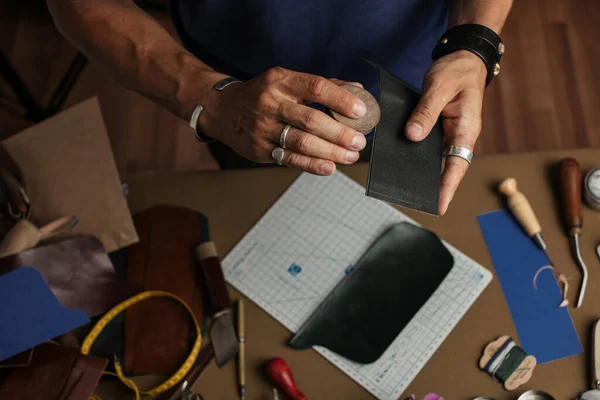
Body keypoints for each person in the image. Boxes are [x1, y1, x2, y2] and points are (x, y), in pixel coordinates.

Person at [47, 0, 513, 215]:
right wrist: (209, 99)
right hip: (244, 102)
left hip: (419, 78)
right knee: (268, 220)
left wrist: (475, 42)